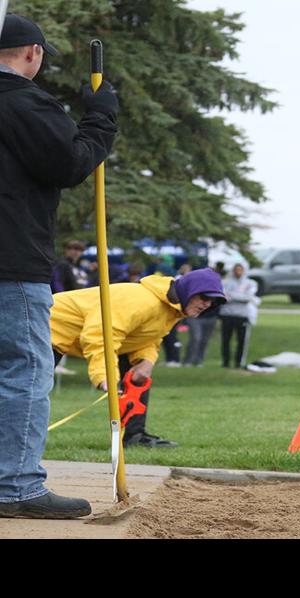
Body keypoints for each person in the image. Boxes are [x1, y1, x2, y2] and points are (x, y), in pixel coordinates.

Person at [1, 13, 119, 519]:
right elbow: (70, 163)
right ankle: (17, 487)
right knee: (27, 369)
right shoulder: (21, 101)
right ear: (33, 53)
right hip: (11, 261)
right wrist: (100, 117)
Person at [50, 269, 226, 451]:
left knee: (138, 378)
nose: (207, 304)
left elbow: (147, 336)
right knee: (31, 391)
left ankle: (135, 436)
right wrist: (104, 376)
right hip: (45, 329)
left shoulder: (171, 309)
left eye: (214, 301)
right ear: (190, 289)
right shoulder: (143, 301)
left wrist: (145, 361)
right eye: (204, 297)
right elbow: (101, 334)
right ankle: (22, 444)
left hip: (70, 338)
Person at [220, 263, 260, 369]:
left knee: (242, 340)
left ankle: (239, 362)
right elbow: (223, 297)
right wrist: (239, 296)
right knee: (225, 340)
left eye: (240, 269)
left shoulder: (250, 283)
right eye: (236, 269)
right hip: (227, 314)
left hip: (242, 315)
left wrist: (232, 295)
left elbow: (248, 298)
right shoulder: (225, 282)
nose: (238, 272)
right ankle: (225, 362)